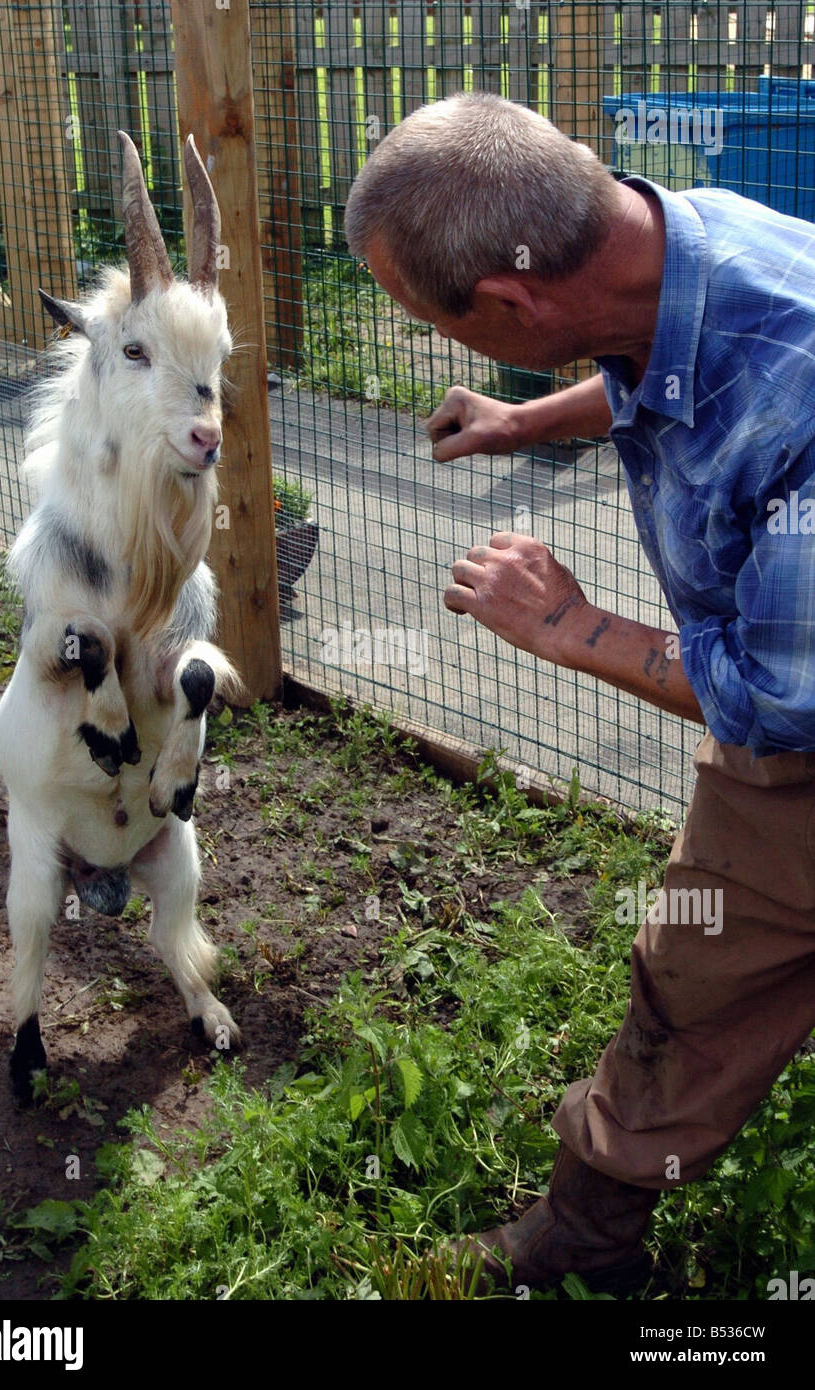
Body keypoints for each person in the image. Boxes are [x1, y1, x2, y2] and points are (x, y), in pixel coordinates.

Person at [344, 90, 815, 1294]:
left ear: (508, 303)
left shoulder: (801, 390)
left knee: (703, 971)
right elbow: (645, 365)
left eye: (433, 323)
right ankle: (587, 1246)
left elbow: (779, 699)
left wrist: (571, 624)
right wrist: (521, 421)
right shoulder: (668, 243)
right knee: (694, 974)